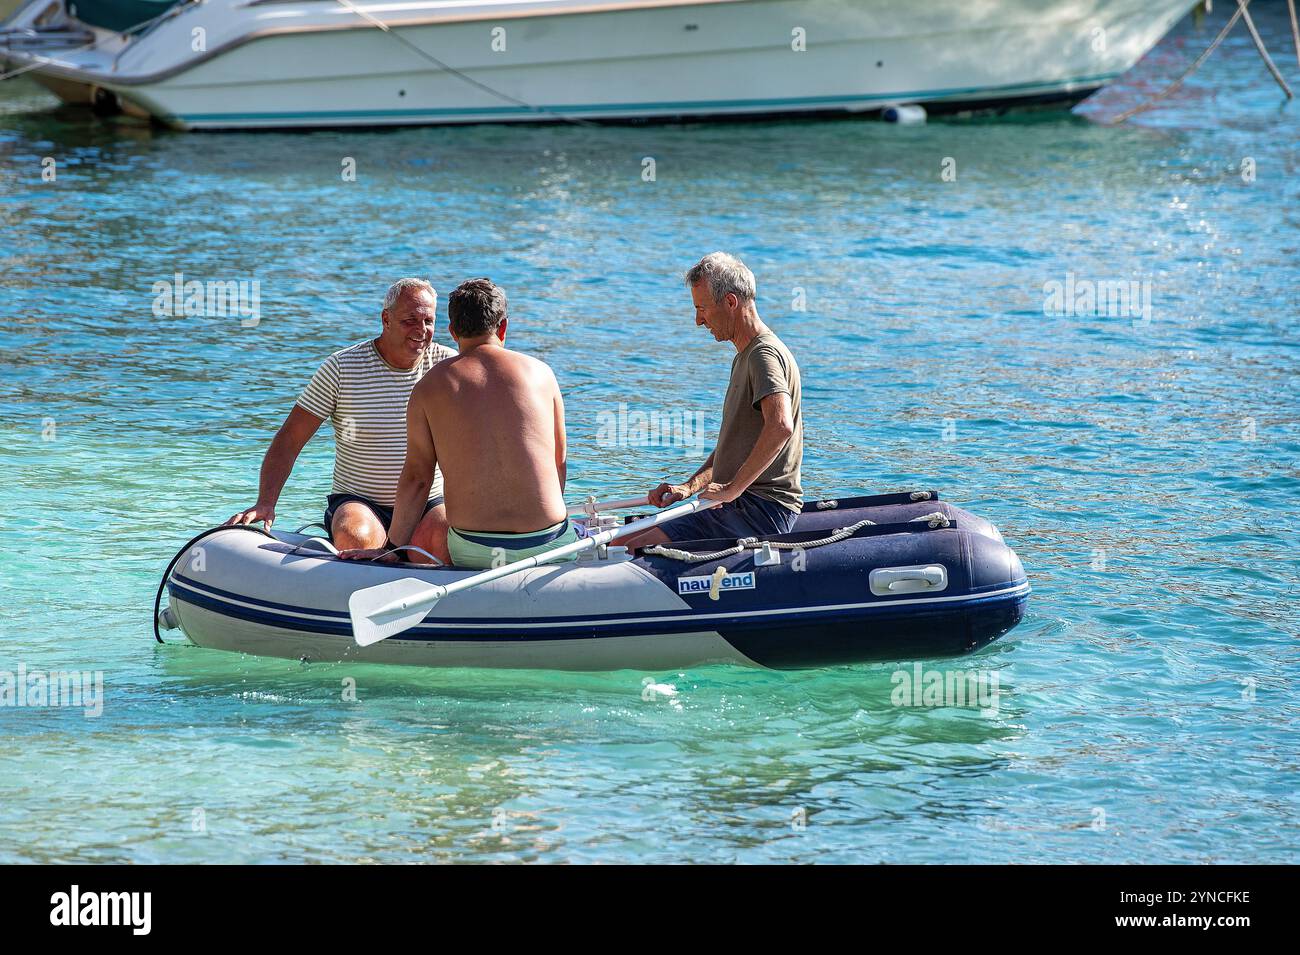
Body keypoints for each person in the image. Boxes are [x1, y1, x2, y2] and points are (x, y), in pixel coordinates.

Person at [339, 278, 576, 569]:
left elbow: (418, 478)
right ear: (503, 327)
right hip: (549, 542)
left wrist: (392, 548)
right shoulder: (542, 374)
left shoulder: (429, 387)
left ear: (452, 331)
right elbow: (558, 462)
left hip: (476, 549)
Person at [226, 278, 454, 563]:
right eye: (410, 320)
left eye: (429, 321)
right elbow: (290, 439)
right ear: (386, 319)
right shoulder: (342, 367)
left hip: (428, 503)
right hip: (361, 502)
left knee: (441, 543)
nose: (421, 331)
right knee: (355, 537)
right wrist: (266, 502)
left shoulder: (447, 366)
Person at [616, 252, 803, 551]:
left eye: (702, 308)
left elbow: (781, 426)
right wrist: (689, 487)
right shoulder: (745, 356)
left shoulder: (763, 355)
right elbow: (736, 445)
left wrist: (732, 490)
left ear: (730, 302)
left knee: (629, 548)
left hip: (760, 510)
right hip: (741, 503)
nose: (698, 320)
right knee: (621, 539)